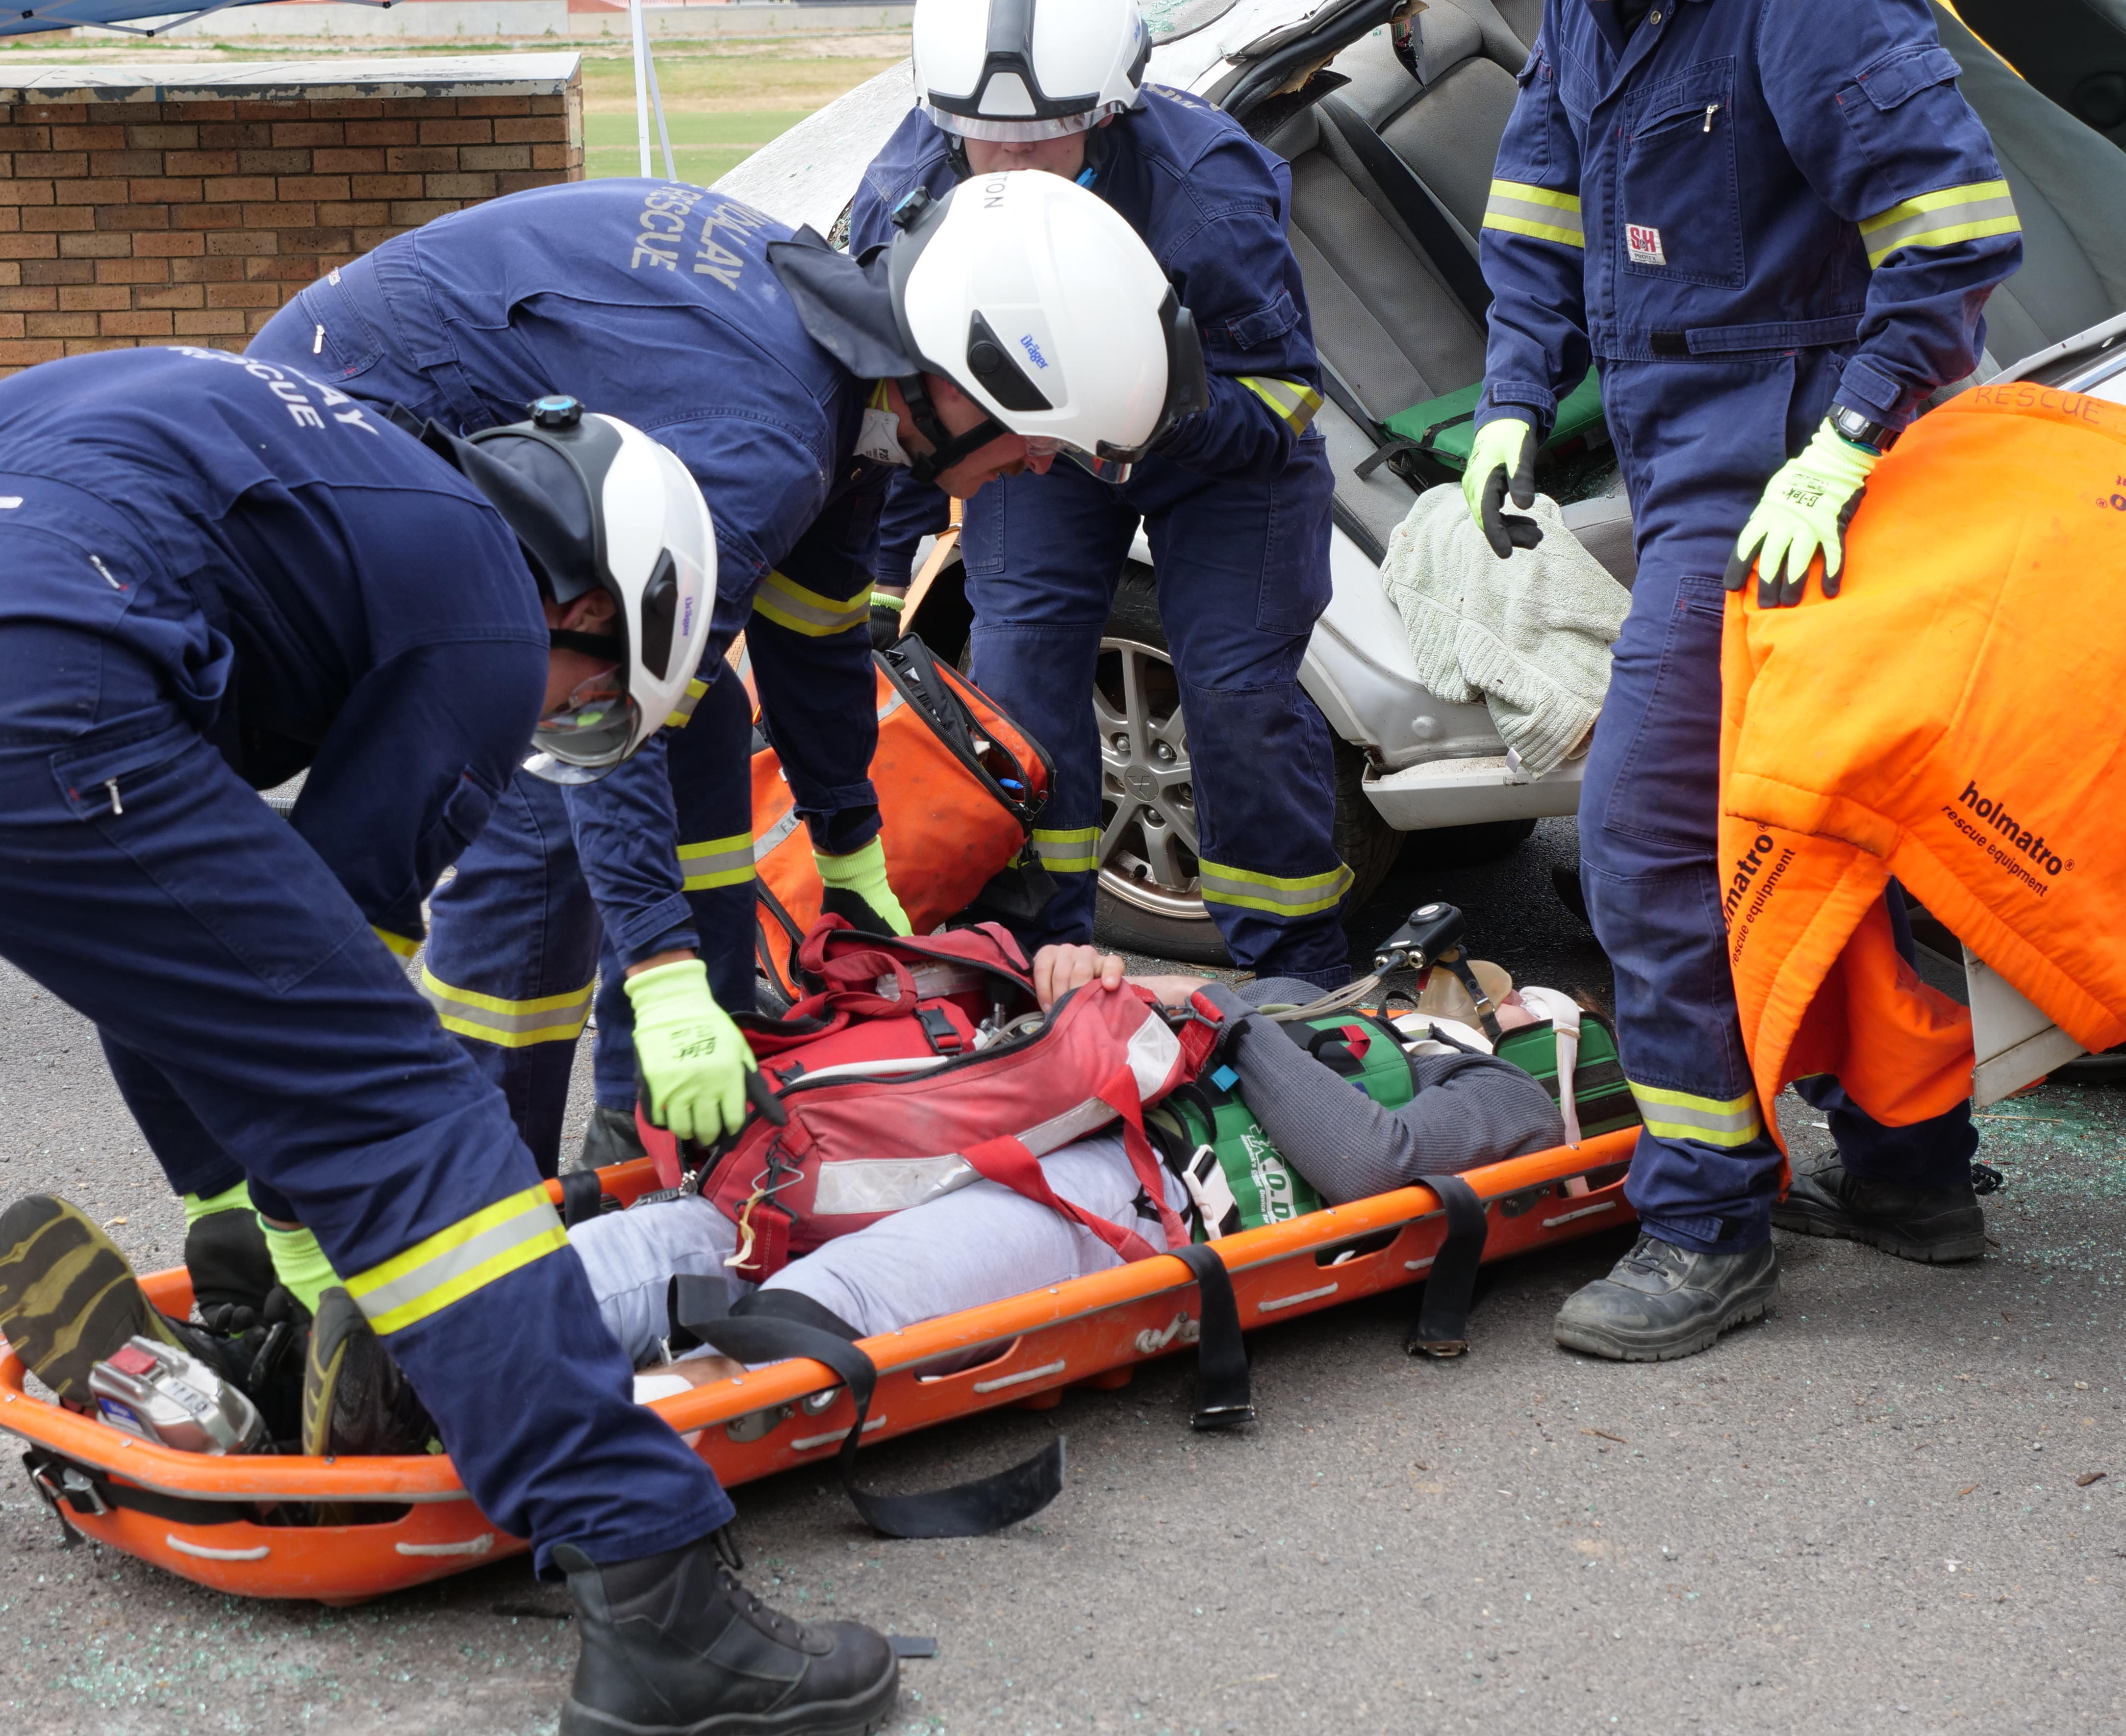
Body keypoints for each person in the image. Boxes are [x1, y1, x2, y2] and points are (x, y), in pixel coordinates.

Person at [0, 344, 901, 1736]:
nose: (544, 727)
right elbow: (325, 1003)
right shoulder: (483, 606)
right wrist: (318, 1234)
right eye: (578, 705)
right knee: (398, 1100)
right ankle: (658, 1598)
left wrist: (235, 1207)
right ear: (584, 605)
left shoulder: (346, 468)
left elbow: (172, 965)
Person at [227, 170, 1198, 1213]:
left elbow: (814, 634)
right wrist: (661, 972)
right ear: (966, 378)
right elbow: (613, 719)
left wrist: (849, 849)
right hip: (336, 471)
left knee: (709, 718)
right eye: (1041, 436)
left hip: (441, 446)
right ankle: (472, 1196)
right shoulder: (763, 443)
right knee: (544, 822)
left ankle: (660, 1147)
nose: (1043, 467)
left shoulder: (853, 395)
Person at [1461, 0, 2023, 1358]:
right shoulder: (1587, 16)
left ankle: (1706, 1226)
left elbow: (1952, 226)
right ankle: (1909, 1173)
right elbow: (1538, 214)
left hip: (1791, 475)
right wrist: (1514, 396)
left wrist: (1850, 435)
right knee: (1823, 832)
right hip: (1684, 455)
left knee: (1644, 845)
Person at [847, 0, 1348, 984]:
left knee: (1237, 696)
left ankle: (1298, 970)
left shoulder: (1205, 193)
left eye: (1043, 138)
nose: (1010, 160)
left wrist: (1150, 408)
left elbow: (1282, 397)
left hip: (1215, 453)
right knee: (1019, 676)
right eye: (984, 137)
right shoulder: (906, 194)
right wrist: (878, 578)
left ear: (1109, 113)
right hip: (1031, 451)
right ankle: (1039, 959)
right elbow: (897, 397)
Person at [563, 943, 1566, 1377]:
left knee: (825, 1303)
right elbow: (1145, 1021)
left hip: (1129, 1188)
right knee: (730, 1221)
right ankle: (489, 1328)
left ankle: (614, 1432)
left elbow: (1367, 1161)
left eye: (1534, 1004)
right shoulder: (1317, 1003)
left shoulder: (1502, 1095)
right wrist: (1077, 978)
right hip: (1035, 1118)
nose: (1505, 993)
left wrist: (1214, 1011)